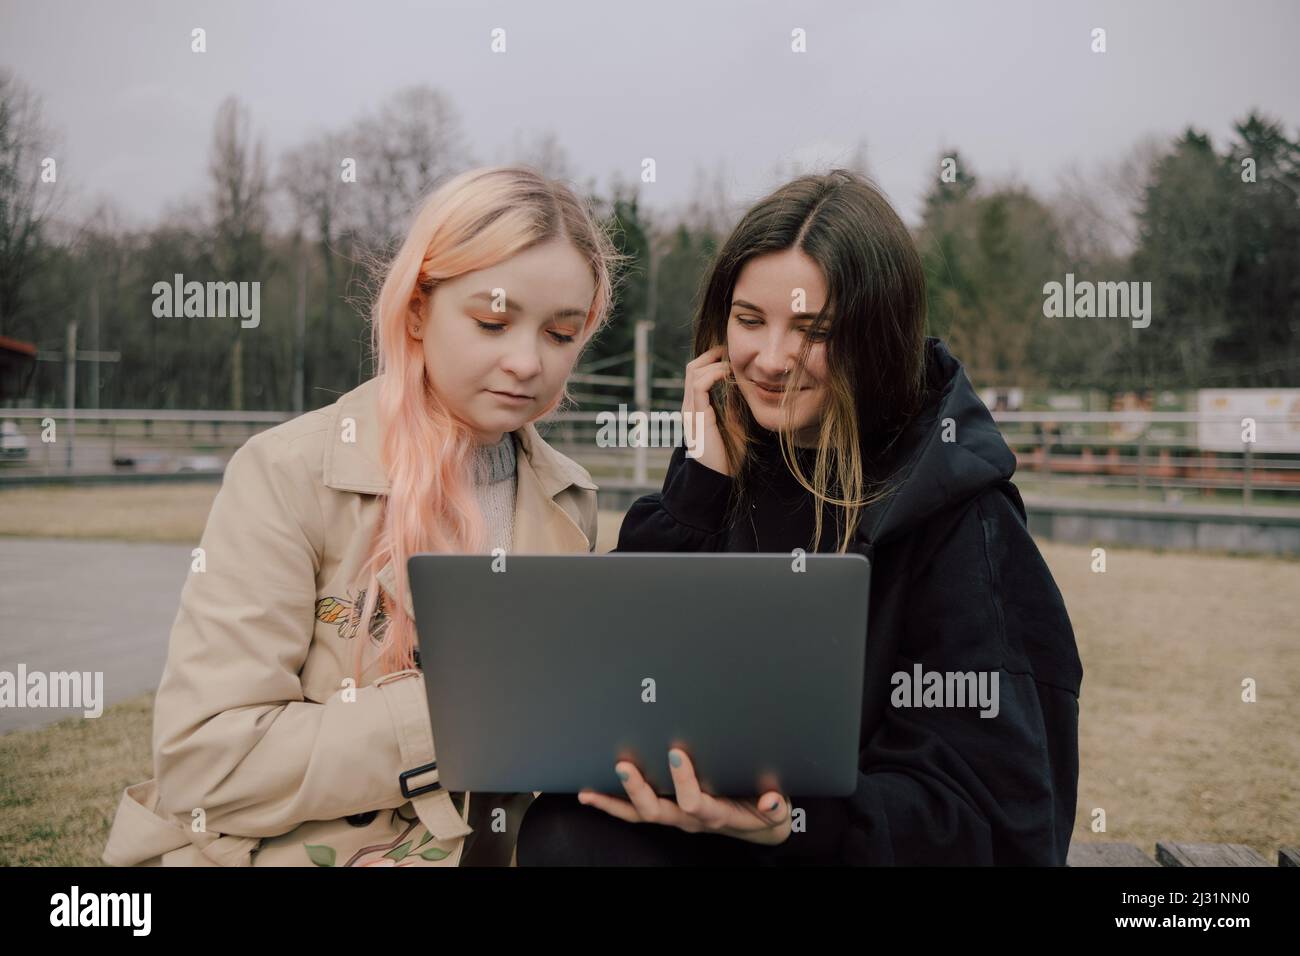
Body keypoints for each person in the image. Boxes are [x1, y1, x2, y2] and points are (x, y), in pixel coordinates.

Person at [517, 169, 1083, 866]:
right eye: (750, 321)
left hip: (847, 852)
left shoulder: (964, 521)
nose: (772, 359)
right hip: (713, 833)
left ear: (879, 336)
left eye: (814, 331)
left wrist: (796, 823)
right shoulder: (724, 461)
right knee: (563, 835)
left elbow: (998, 823)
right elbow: (627, 687)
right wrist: (697, 490)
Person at [101, 165, 622, 867]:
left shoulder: (571, 498)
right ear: (415, 310)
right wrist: (459, 714)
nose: (527, 361)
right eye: (492, 321)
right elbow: (207, 763)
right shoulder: (287, 473)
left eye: (561, 335)